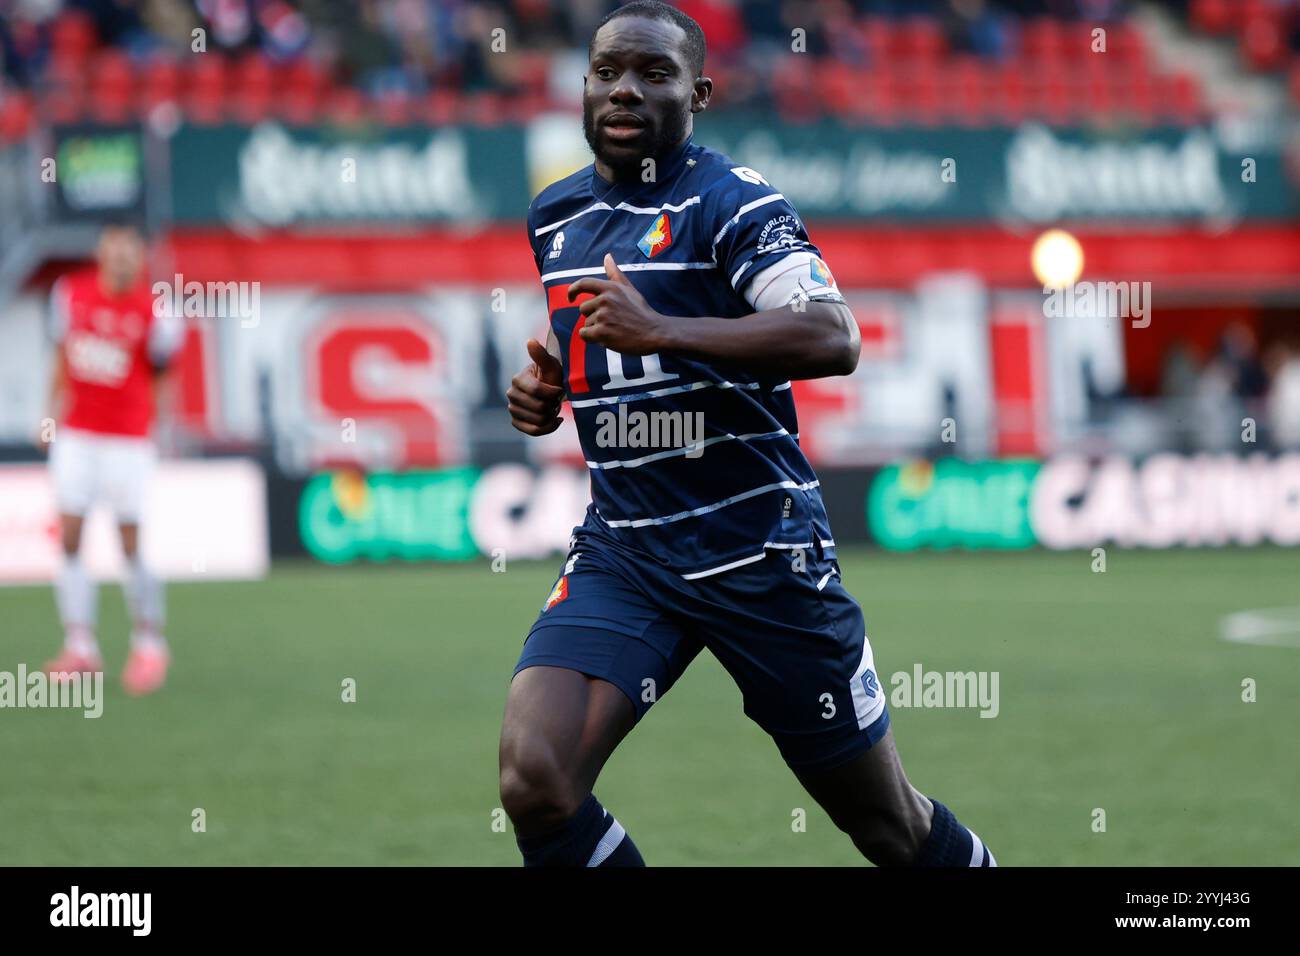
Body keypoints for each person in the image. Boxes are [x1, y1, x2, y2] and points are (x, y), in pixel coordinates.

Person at [498, 1, 996, 867]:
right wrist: (549, 389)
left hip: (762, 555)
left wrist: (661, 331)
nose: (625, 89)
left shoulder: (734, 203)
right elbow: (593, 346)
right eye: (609, 70)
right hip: (629, 552)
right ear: (582, 86)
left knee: (888, 827)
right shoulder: (555, 217)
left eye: (654, 74)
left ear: (700, 92)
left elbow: (831, 334)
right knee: (535, 777)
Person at [40, 221, 182, 696]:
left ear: (140, 259)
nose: (121, 259)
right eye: (114, 250)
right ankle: (80, 645)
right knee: (70, 537)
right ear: (101, 253)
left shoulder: (158, 310)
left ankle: (149, 641)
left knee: (129, 543)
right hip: (77, 435)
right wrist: (49, 416)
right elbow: (61, 358)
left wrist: (159, 427)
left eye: (130, 252)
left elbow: (163, 374)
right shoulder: (70, 295)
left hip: (126, 439)